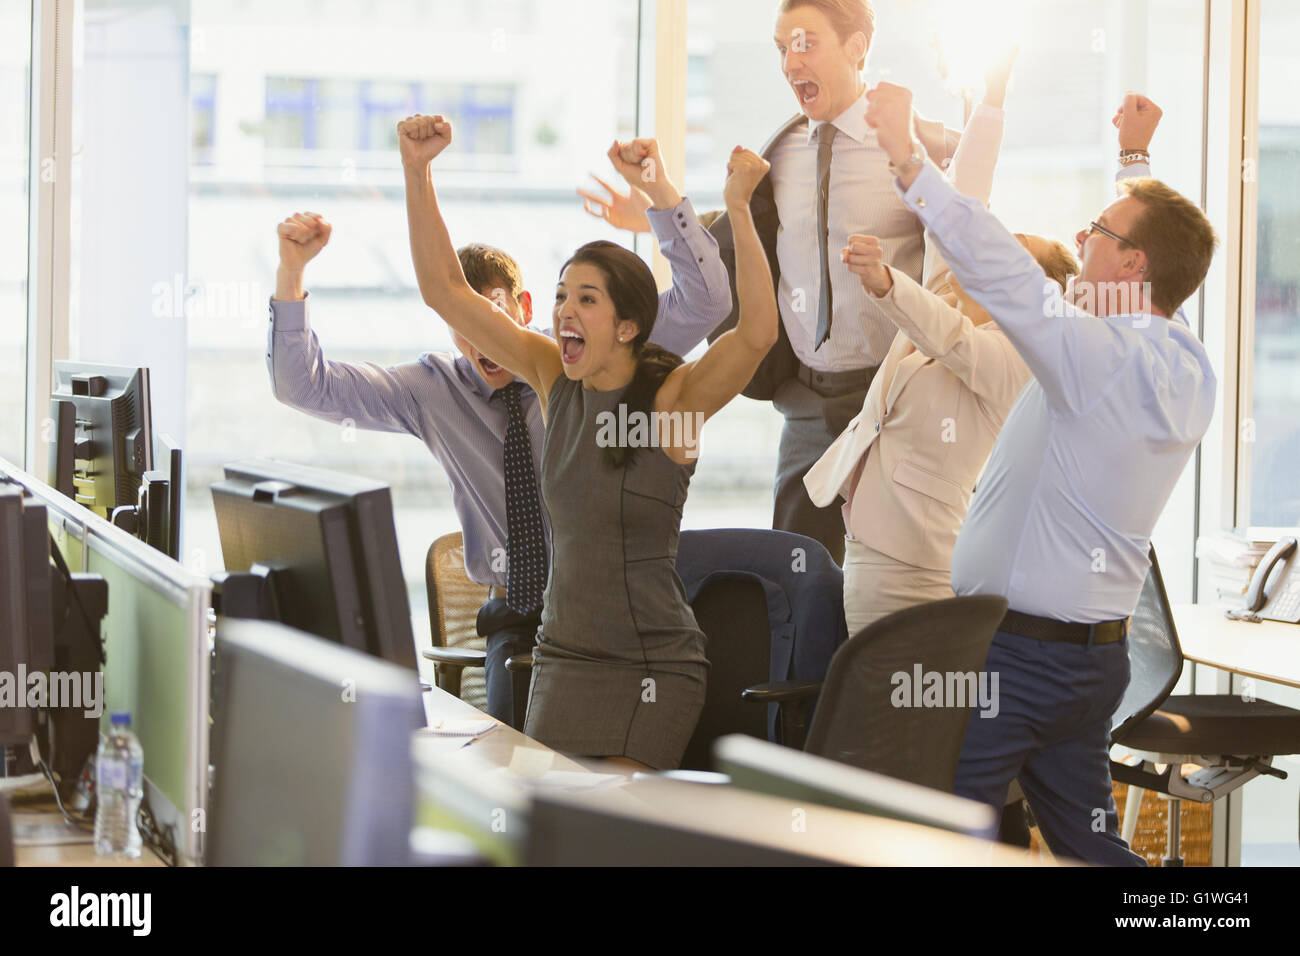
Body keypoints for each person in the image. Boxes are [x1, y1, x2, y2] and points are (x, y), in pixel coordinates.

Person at [267, 137, 731, 731]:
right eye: (464, 328)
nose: (477, 341)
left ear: (522, 306)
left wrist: (659, 192)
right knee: (517, 758)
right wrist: (291, 273)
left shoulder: (583, 354)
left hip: (617, 607)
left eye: (488, 318)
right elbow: (304, 387)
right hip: (517, 614)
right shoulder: (433, 389)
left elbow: (708, 301)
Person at [866, 82, 1217, 865]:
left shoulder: (1096, 357)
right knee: (1090, 851)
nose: (1079, 238)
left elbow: (1001, 272)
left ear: (1129, 263)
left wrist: (905, 157)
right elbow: (1171, 255)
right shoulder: (1183, 359)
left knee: (940, 839)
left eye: (1095, 231)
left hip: (1018, 663)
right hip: (1091, 662)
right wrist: (1133, 159)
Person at [399, 112, 779, 771]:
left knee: (599, 827)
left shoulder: (673, 401)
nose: (563, 312)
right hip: (562, 658)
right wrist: (417, 170)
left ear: (629, 325)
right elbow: (445, 291)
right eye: (559, 297)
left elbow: (755, 336)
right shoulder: (553, 379)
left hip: (649, 667)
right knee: (542, 828)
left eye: (586, 300)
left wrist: (739, 211)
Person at [804, 51, 1082, 634]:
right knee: (882, 708)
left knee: (901, 713)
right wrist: (993, 99)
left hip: (915, 563)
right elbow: (967, 199)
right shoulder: (947, 297)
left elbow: (948, 337)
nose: (992, 256)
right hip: (870, 541)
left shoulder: (1017, 360)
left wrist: (885, 282)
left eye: (1013, 258)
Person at [701, 0, 959, 565]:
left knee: (889, 581)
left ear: (857, 47)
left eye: (805, 42)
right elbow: (739, 238)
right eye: (782, 47)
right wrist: (658, 212)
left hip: (893, 399)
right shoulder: (780, 150)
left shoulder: (916, 148)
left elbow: (965, 248)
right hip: (807, 404)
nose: (791, 61)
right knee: (797, 582)